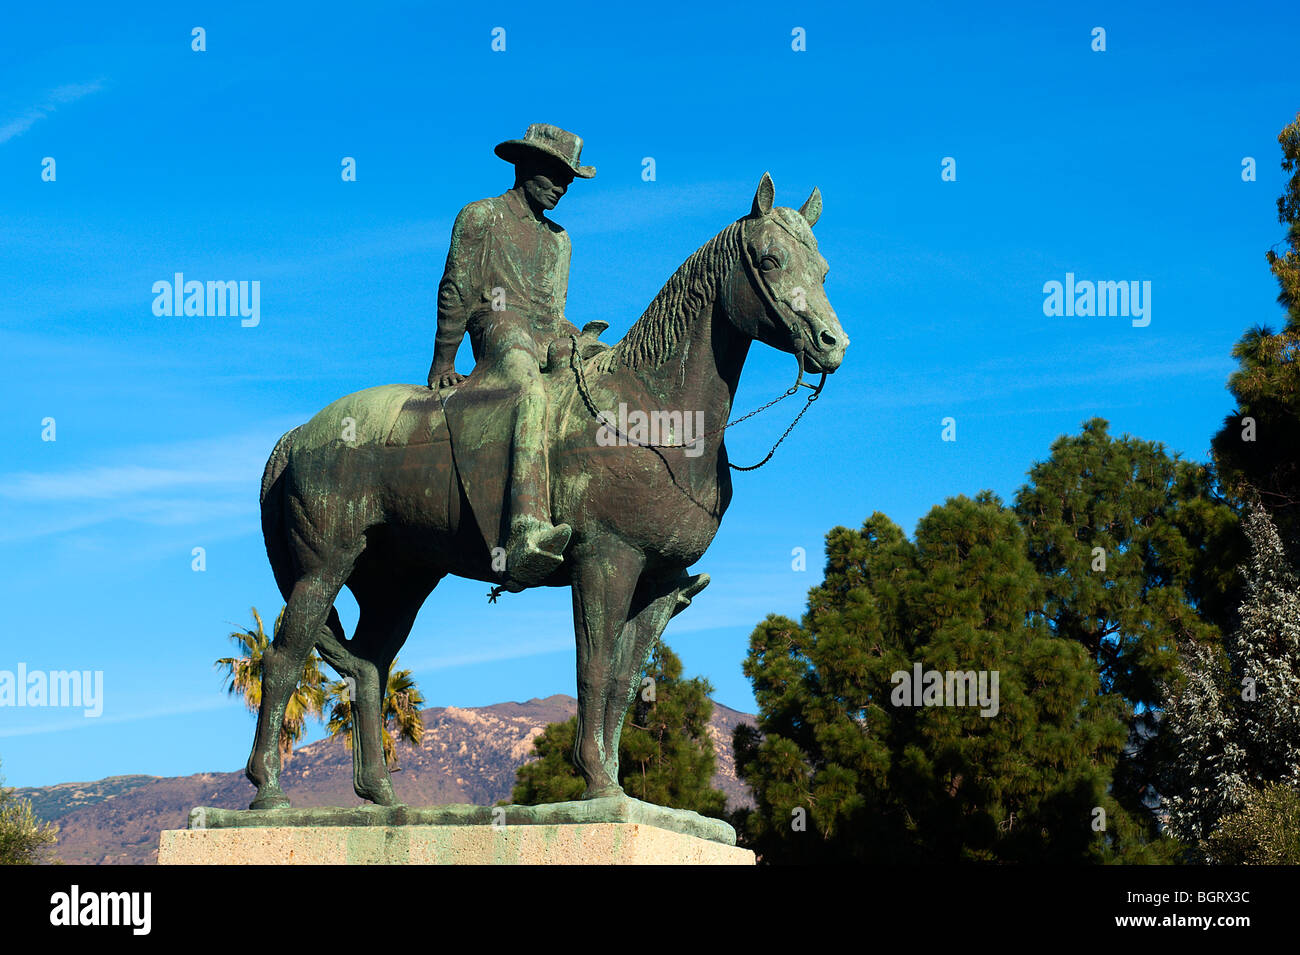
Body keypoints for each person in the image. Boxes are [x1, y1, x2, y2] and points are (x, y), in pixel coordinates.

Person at [427, 123, 595, 588]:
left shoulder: (560, 240)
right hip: (497, 325)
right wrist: (444, 361)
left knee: (603, 367)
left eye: (569, 180)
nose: (562, 188)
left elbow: (554, 310)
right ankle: (525, 526)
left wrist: (578, 337)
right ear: (526, 166)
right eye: (556, 175)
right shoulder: (481, 216)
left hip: (546, 334)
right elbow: (456, 290)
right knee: (528, 387)